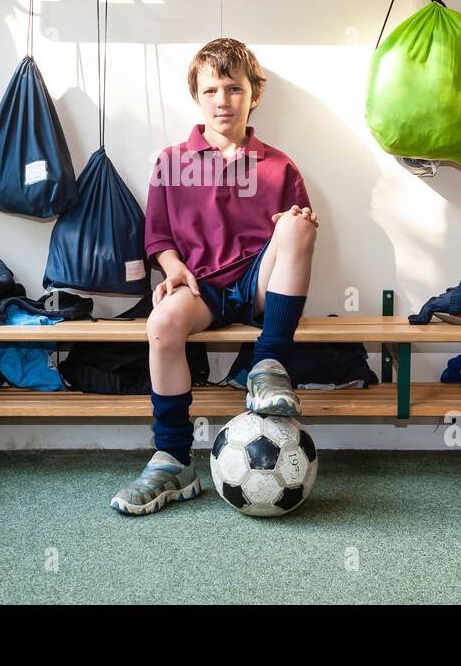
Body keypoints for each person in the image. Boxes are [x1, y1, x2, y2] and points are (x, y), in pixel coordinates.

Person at [111, 38, 318, 515]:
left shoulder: (279, 165)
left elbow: (291, 244)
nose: (222, 100)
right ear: (197, 97)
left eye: (233, 88)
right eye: (211, 91)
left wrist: (294, 228)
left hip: (258, 284)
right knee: (161, 325)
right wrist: (172, 266)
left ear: (254, 95)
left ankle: (267, 368)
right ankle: (172, 461)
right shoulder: (170, 162)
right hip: (201, 287)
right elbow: (157, 236)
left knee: (298, 224)